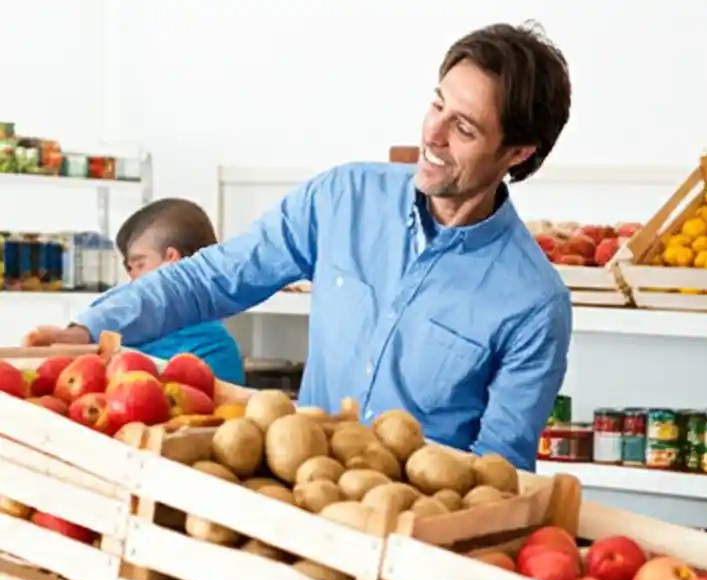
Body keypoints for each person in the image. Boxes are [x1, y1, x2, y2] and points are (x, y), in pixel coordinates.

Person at [23, 22, 574, 471]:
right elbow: (211, 277)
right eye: (437, 105)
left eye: (465, 128)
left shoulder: (532, 302)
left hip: (414, 528)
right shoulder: (344, 198)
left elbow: (500, 470)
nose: (432, 135)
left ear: (517, 153)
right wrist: (90, 328)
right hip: (298, 491)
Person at [112, 198, 246, 385]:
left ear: (172, 261)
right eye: (130, 269)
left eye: (139, 265)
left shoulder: (212, 349)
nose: (133, 282)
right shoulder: (133, 333)